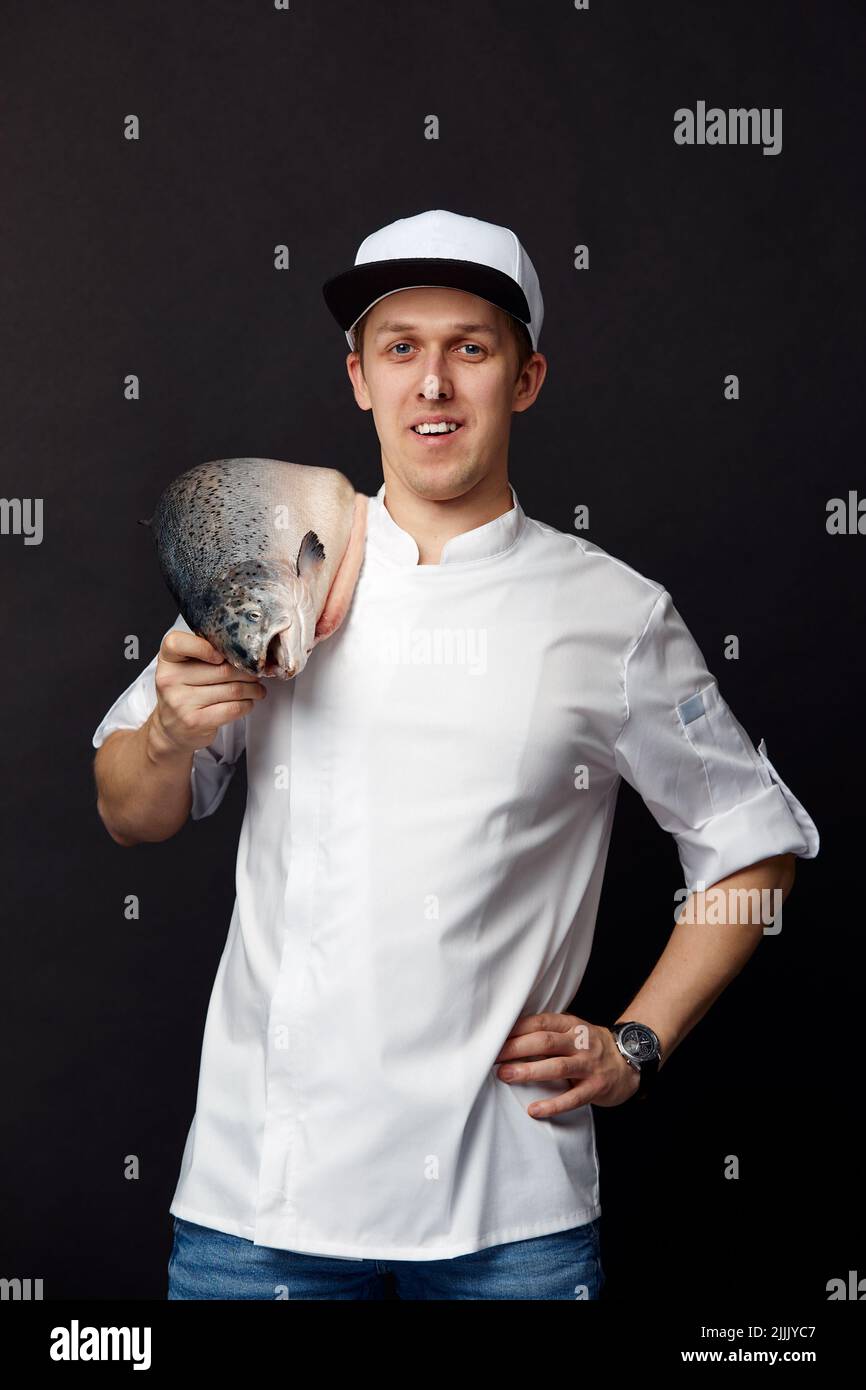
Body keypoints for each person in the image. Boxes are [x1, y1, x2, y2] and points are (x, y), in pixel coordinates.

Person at [92, 209, 820, 1300]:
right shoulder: (277, 556)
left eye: (469, 349)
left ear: (523, 379)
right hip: (260, 1205)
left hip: (510, 1221)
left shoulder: (612, 614)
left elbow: (750, 846)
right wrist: (166, 729)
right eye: (401, 348)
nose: (431, 382)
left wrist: (635, 1047)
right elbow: (129, 811)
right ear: (359, 379)